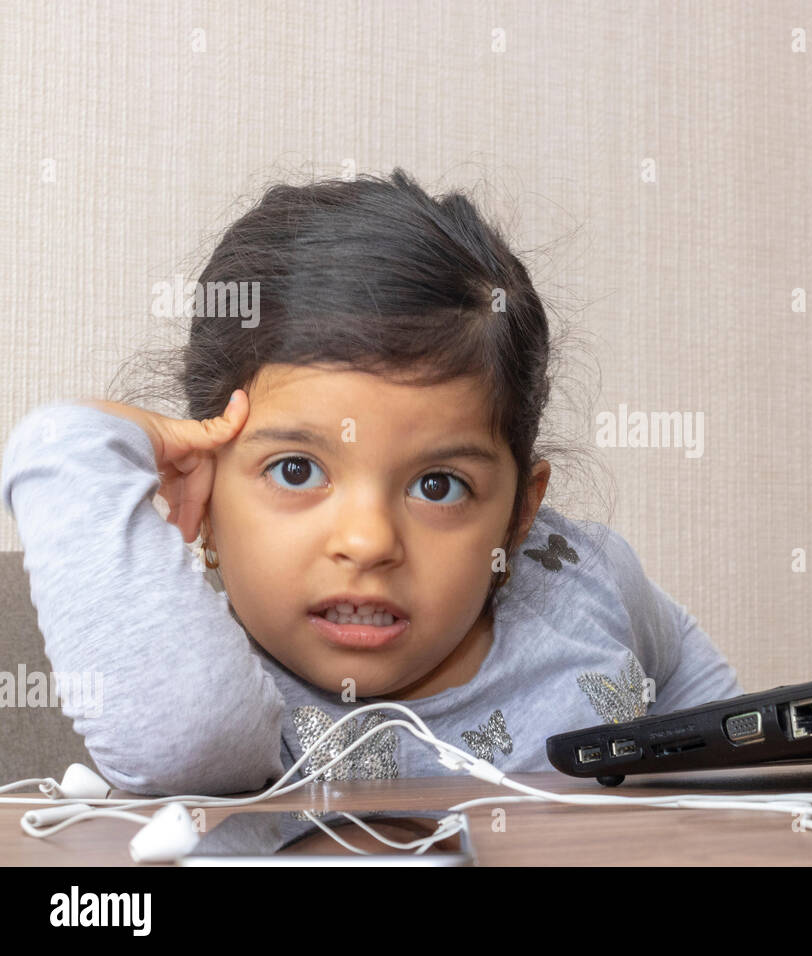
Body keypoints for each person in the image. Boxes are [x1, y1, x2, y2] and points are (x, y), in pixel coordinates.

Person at [1, 169, 743, 796]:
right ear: (206, 489)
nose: (367, 542)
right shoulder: (215, 687)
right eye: (296, 470)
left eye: (439, 486)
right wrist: (69, 441)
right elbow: (186, 741)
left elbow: (697, 687)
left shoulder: (582, 580)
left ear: (520, 514)